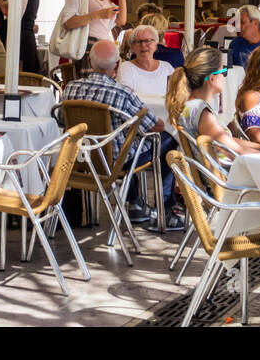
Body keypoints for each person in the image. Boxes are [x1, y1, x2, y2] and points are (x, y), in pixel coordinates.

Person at [62, 40, 181, 231]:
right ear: (117, 65)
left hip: (78, 158)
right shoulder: (123, 93)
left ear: (91, 63)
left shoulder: (70, 89)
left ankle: (135, 202)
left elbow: (62, 119)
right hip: (115, 160)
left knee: (127, 138)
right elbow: (155, 126)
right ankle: (165, 209)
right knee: (168, 138)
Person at [165, 46, 260, 163]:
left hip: (211, 174)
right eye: (223, 71)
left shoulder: (190, 105)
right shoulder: (203, 113)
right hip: (225, 177)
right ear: (212, 78)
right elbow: (235, 152)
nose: (224, 77)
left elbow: (227, 140)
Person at [117, 25, 175, 96]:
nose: (143, 45)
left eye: (147, 40)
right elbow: (126, 98)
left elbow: (176, 96)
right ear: (132, 47)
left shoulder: (167, 67)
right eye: (138, 42)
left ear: (155, 44)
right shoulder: (125, 68)